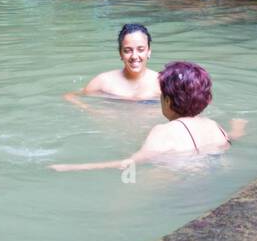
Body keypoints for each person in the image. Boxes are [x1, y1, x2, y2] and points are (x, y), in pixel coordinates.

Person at [52, 62, 245, 172]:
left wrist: (70, 167)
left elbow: (129, 163)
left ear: (168, 101)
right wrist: (238, 128)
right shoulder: (213, 125)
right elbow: (227, 140)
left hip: (180, 181)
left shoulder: (163, 131)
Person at [73, 23, 160, 101]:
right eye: (127, 50)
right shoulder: (104, 81)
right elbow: (71, 96)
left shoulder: (162, 83)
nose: (134, 56)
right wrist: (94, 111)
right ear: (120, 53)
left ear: (149, 51)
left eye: (140, 50)